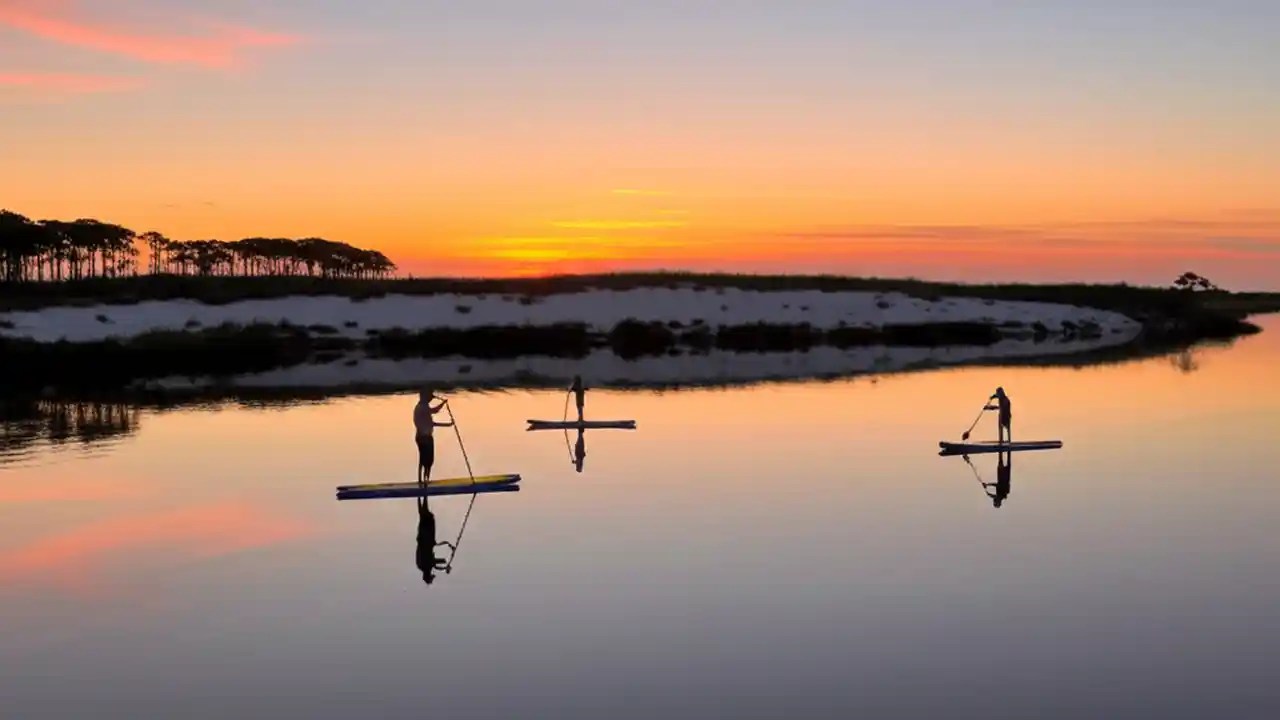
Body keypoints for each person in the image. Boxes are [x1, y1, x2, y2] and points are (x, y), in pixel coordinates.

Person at [413, 389, 453, 482]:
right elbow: (435, 410)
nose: (430, 399)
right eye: (429, 397)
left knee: (426, 459)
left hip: (424, 437)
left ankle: (424, 480)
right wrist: (443, 403)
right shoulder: (421, 407)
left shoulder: (423, 406)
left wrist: (448, 425)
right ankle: (422, 480)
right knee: (425, 459)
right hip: (423, 437)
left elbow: (432, 423)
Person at [416, 497, 455, 585]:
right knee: (423, 515)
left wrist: (446, 565)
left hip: (427, 538)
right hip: (424, 537)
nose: (432, 574)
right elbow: (438, 563)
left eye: (431, 576)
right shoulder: (421, 565)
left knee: (426, 516)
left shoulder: (426, 566)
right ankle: (421, 493)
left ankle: (422, 492)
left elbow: (438, 563)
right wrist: (445, 565)